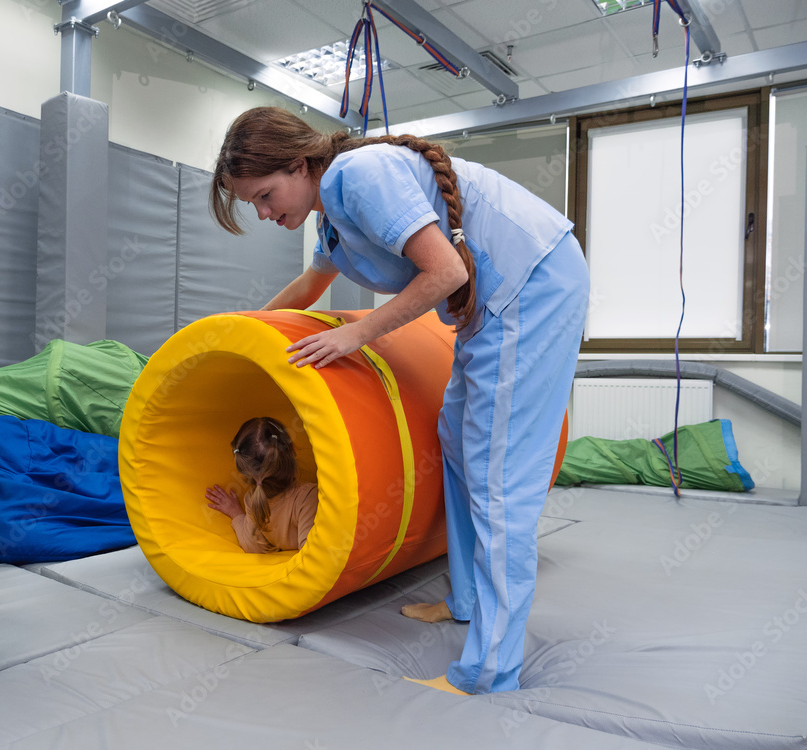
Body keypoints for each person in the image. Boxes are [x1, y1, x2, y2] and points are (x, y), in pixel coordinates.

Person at [210, 106, 589, 695]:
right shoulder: (329, 214)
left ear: (301, 163)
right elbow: (307, 291)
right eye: (252, 204)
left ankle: (489, 672)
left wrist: (355, 333)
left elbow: (444, 273)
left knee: (498, 477)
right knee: (456, 441)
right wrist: (232, 336)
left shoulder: (359, 176)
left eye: (264, 194)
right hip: (485, 309)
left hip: (530, 284)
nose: (262, 212)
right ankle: (464, 600)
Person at [206, 416, 318, 554]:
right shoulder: (308, 497)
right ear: (292, 449)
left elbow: (253, 546)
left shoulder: (252, 500)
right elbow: (312, 556)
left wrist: (236, 514)